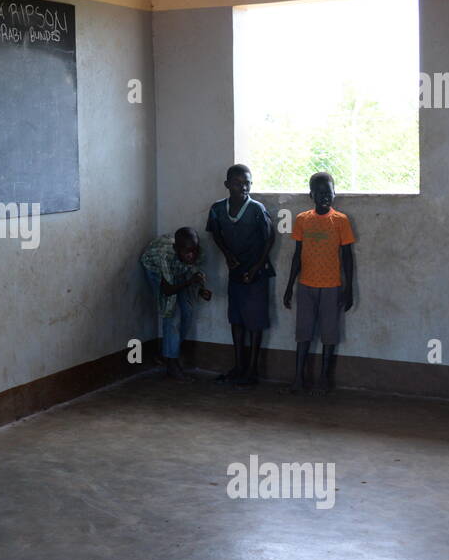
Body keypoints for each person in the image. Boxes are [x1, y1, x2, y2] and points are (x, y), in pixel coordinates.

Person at [281, 172, 356, 394]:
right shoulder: (303, 219)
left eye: (329, 192)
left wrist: (349, 288)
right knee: (303, 334)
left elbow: (348, 257)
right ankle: (298, 379)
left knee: (329, 335)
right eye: (320, 193)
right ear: (311, 194)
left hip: (332, 287)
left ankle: (324, 380)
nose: (325, 196)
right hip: (305, 286)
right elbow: (297, 256)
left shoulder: (341, 221)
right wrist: (289, 287)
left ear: (335, 193)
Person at [205, 164, 276, 388]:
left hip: (256, 272)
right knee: (236, 319)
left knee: (254, 322)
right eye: (238, 183)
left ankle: (253, 369)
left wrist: (256, 267)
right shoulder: (217, 209)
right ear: (227, 185)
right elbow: (215, 233)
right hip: (236, 272)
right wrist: (227, 254)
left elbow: (269, 239)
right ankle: (239, 366)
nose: (243, 187)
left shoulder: (256, 209)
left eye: (247, 183)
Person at [139, 227, 212, 380]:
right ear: (176, 249)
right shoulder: (164, 256)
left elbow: (190, 271)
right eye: (187, 252)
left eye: (194, 250)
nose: (192, 255)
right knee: (172, 316)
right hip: (156, 272)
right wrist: (190, 281)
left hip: (175, 273)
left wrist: (200, 290)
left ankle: (166, 354)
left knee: (188, 312)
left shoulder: (197, 252)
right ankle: (172, 364)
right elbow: (168, 290)